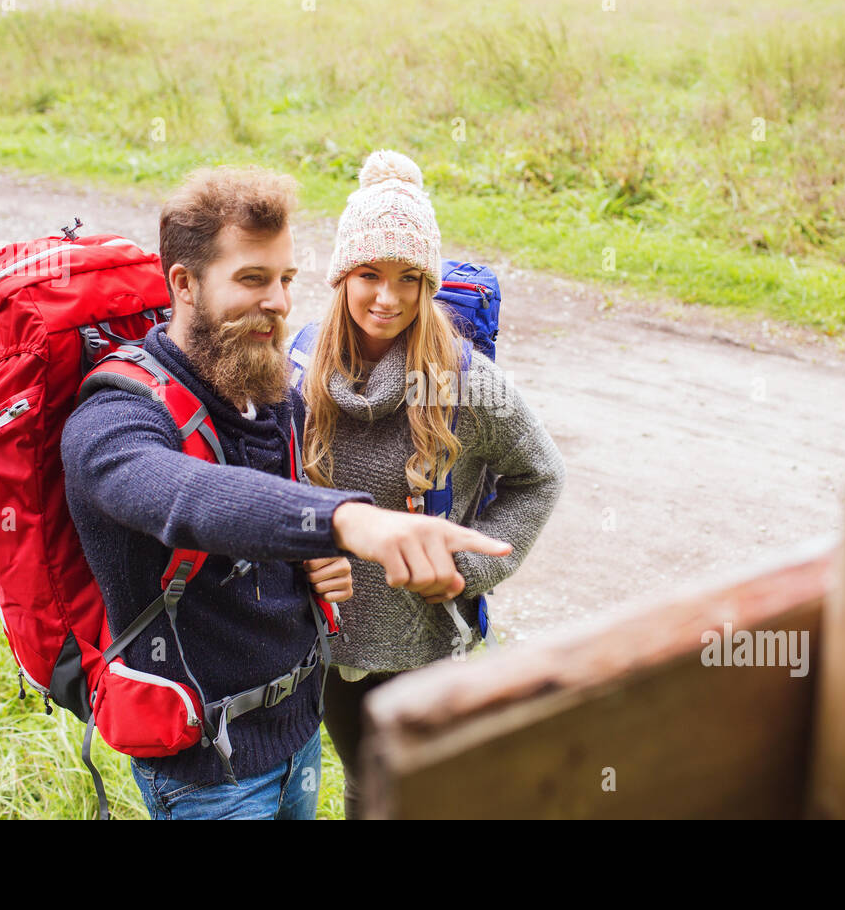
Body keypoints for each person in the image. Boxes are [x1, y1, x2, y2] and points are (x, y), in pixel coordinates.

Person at [60, 165, 511, 820]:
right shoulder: (113, 420)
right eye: (251, 279)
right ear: (183, 284)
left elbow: (259, 523)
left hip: (298, 741)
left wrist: (305, 561)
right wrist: (347, 523)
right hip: (208, 775)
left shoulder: (260, 386)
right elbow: (191, 498)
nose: (277, 301)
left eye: (285, 279)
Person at [298, 150, 567, 819]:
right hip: (326, 643)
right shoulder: (297, 367)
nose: (386, 297)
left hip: (429, 644)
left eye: (409, 277)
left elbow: (540, 476)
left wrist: (469, 566)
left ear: (428, 282)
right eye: (368, 274)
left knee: (425, 799)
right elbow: (265, 488)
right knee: (364, 784)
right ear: (342, 275)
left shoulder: (466, 381)